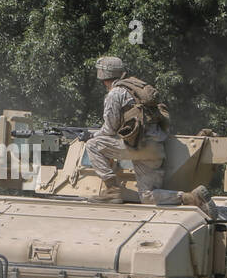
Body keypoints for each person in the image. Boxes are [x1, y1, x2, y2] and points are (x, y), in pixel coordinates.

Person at [83, 56, 215, 212]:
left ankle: (112, 190)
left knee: (92, 145)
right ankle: (190, 197)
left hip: (137, 146)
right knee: (147, 196)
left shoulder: (115, 94)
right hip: (156, 148)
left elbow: (110, 129)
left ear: (103, 77)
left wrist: (91, 135)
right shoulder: (137, 89)